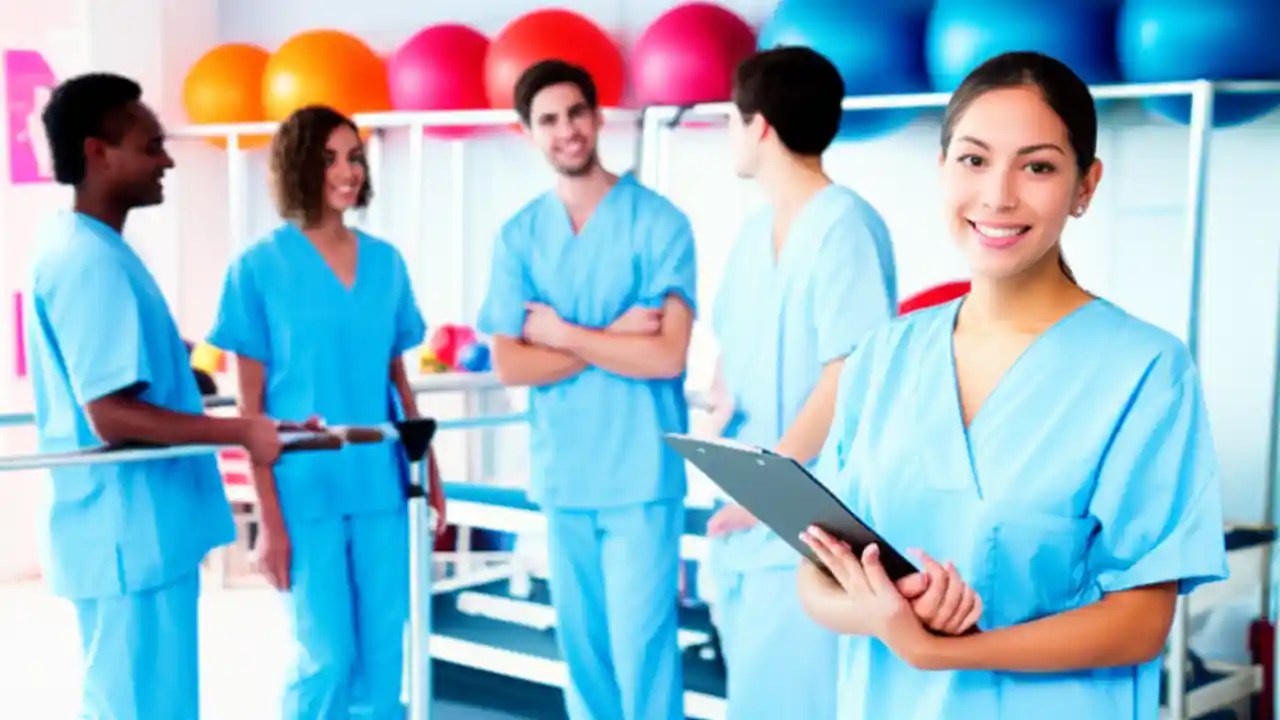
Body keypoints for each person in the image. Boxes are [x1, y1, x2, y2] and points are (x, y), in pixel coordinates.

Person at [797, 51, 1229, 719]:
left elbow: (1141, 622)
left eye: (1038, 166)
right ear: (941, 171)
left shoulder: (1144, 372)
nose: (998, 195)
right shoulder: (884, 356)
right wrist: (888, 609)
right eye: (973, 159)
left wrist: (941, 650)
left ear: (1085, 186)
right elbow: (819, 573)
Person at [25, 72, 286, 719]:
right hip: (127, 538)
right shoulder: (89, 261)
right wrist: (244, 432)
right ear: (97, 152)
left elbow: (116, 379)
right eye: (151, 145)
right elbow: (111, 413)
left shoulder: (93, 248)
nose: (166, 159)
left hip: (134, 535)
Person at [207, 104, 447, 719]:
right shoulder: (256, 269)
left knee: (380, 663)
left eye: (355, 156)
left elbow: (398, 382)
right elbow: (250, 409)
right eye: (330, 158)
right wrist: (267, 520)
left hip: (381, 485)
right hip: (302, 491)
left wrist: (432, 472)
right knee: (325, 659)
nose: (348, 171)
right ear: (297, 167)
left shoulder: (387, 263)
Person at [477, 59, 697, 720]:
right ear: (527, 133)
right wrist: (609, 336)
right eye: (548, 120)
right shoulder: (519, 237)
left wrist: (563, 333)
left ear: (599, 117)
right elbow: (510, 366)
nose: (566, 130)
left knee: (643, 649)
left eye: (576, 113)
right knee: (585, 654)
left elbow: (666, 355)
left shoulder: (660, 223)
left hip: (640, 477)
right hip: (564, 475)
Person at [701, 46, 901, 720]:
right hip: (752, 507)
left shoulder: (844, 225)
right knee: (755, 695)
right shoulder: (756, 232)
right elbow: (735, 349)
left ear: (759, 126)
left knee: (799, 699)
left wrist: (769, 483)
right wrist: (719, 406)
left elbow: (851, 370)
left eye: (732, 117)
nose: (730, 131)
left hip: (807, 511)